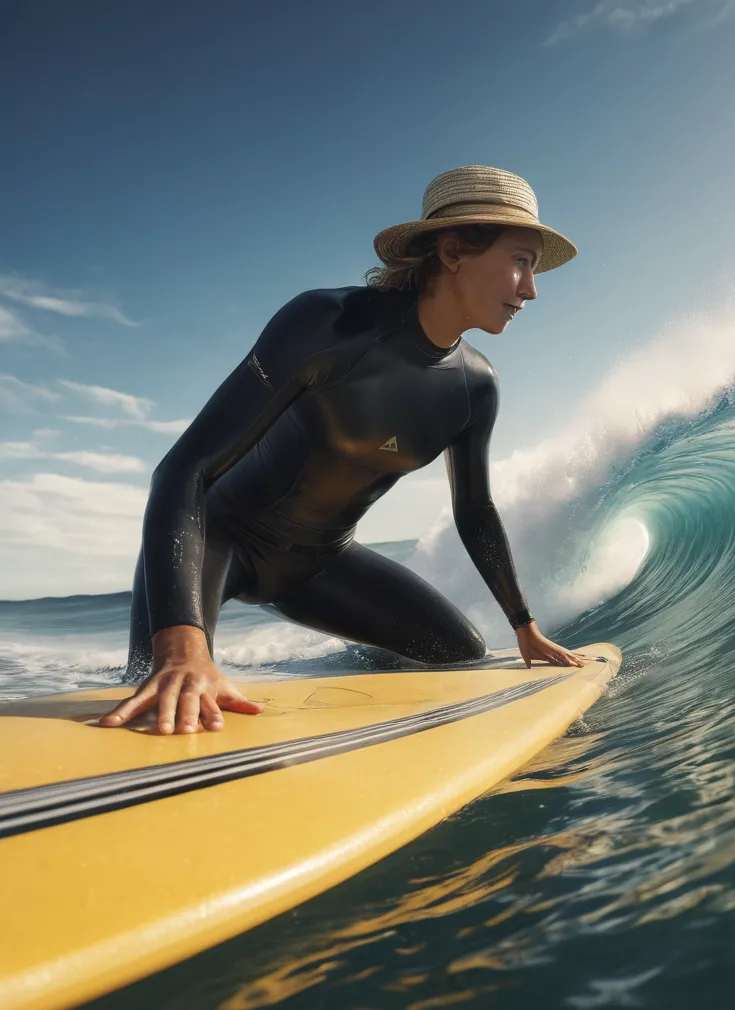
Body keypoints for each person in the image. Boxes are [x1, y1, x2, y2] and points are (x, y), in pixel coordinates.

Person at [100, 165, 585, 737]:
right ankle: (185, 658)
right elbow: (184, 470)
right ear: (453, 251)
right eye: (521, 261)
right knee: (154, 691)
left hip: (321, 564)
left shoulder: (475, 386)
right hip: (219, 541)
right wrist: (180, 647)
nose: (530, 290)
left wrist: (524, 625)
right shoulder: (328, 325)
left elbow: (474, 511)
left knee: (459, 651)